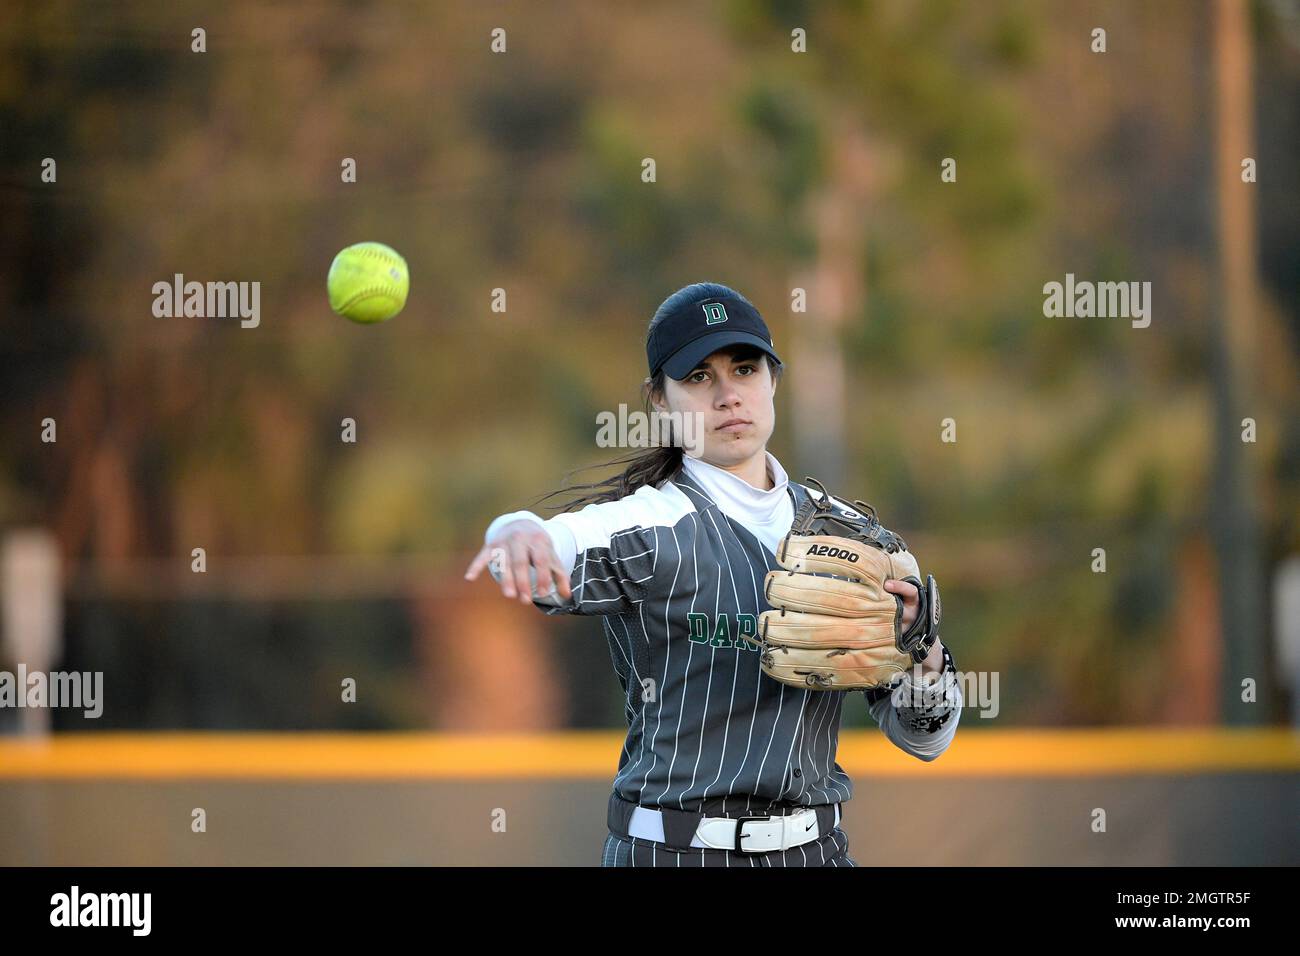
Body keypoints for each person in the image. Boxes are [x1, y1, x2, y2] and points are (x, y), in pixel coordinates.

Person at [465, 282, 961, 867]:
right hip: (671, 851)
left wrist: (924, 652)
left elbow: (924, 738)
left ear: (773, 381)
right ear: (659, 399)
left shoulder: (855, 541)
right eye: (699, 377)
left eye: (745, 369)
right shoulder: (651, 523)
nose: (728, 395)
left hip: (815, 852)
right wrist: (514, 528)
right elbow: (549, 546)